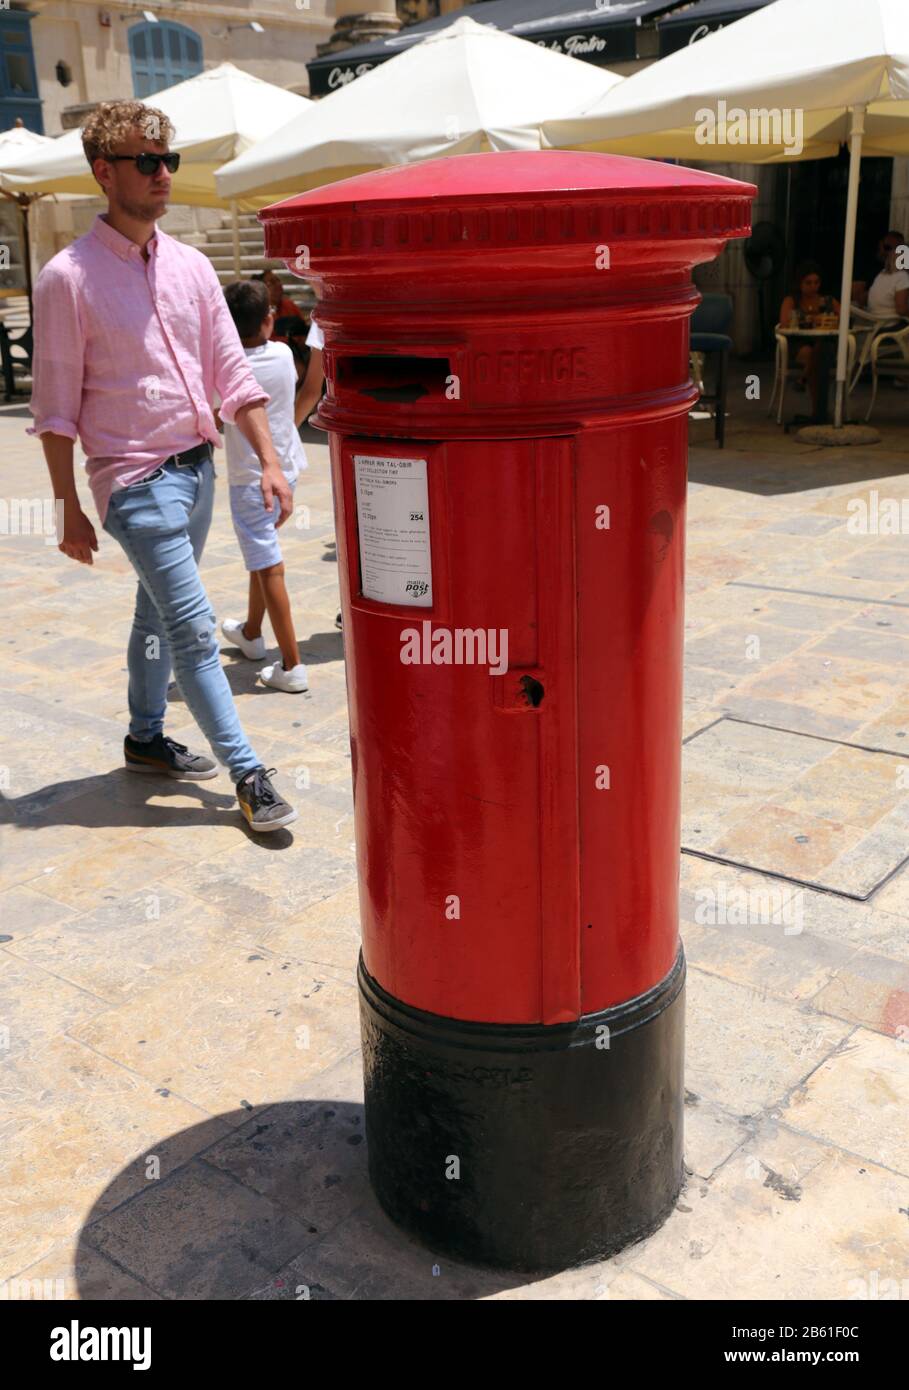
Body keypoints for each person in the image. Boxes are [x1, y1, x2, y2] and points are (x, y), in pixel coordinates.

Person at [29, 99, 298, 833]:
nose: (162, 175)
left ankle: (145, 737)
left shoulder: (191, 267)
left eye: (167, 160)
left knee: (154, 611)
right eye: (145, 162)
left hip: (197, 469)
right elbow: (53, 409)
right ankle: (248, 773)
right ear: (103, 172)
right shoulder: (68, 277)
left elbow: (233, 378)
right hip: (131, 481)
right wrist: (66, 508)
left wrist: (269, 461)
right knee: (188, 626)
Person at [220, 279, 309, 693]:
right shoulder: (283, 353)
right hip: (286, 468)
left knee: (269, 565)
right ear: (269, 319)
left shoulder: (224, 366)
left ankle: (291, 665)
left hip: (252, 479)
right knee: (262, 553)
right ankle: (252, 633)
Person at [778, 260, 840, 406]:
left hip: (825, 341)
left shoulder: (827, 301)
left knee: (822, 350)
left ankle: (803, 379)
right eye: (808, 283)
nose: (813, 286)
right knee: (813, 354)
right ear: (800, 283)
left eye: (816, 282)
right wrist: (808, 319)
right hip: (799, 342)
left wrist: (828, 319)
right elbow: (785, 323)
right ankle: (818, 408)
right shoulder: (792, 300)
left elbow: (843, 318)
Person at [852, 230, 909, 313]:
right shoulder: (900, 276)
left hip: (875, 318)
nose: (889, 252)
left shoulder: (882, 273)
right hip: (890, 321)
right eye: (887, 248)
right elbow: (901, 309)